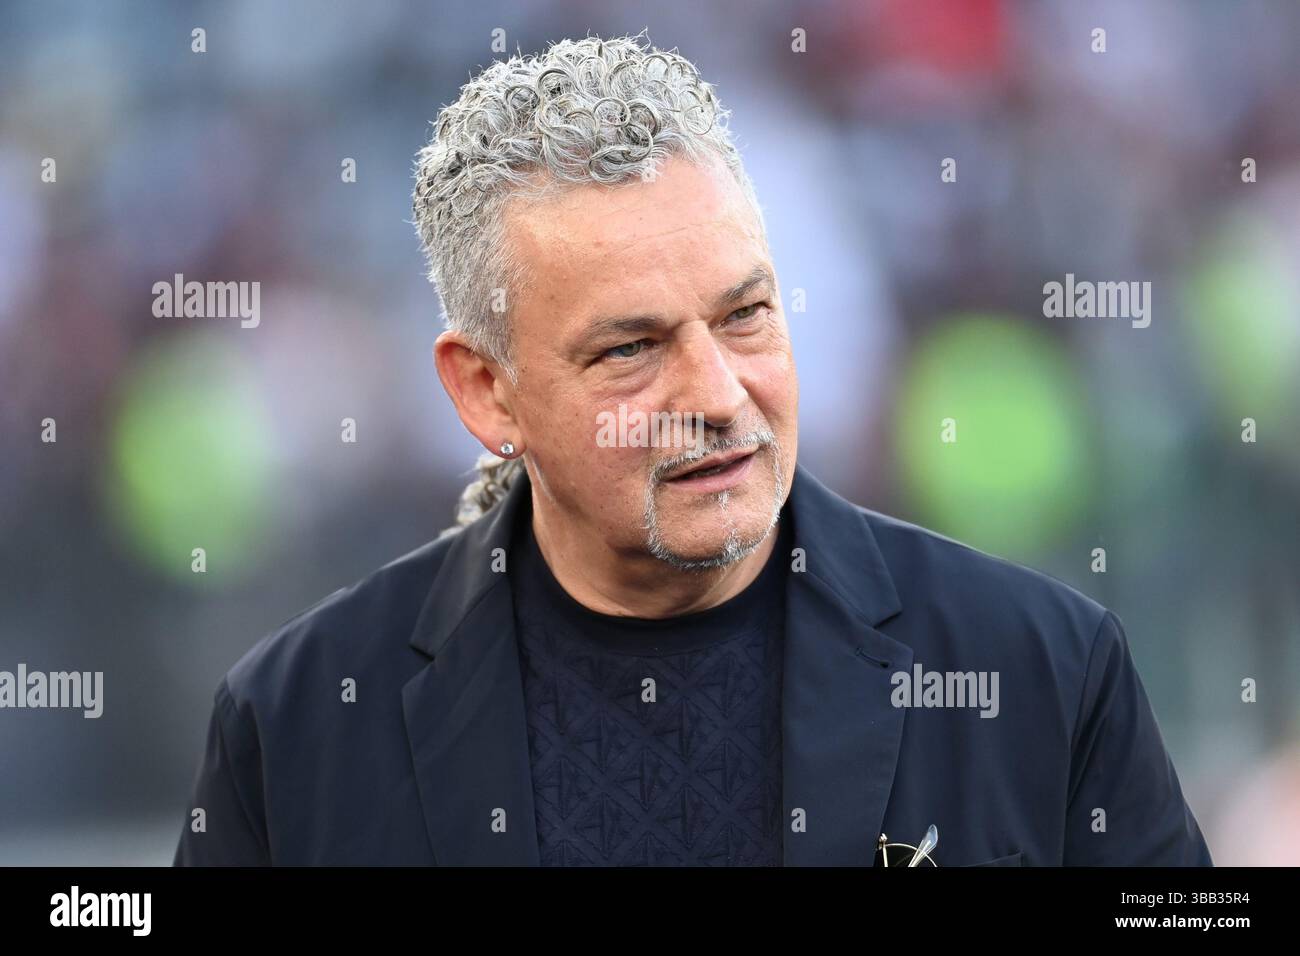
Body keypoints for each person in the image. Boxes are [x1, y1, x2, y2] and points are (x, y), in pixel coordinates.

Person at [174, 32, 1211, 866]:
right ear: (487, 391)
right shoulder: (297, 725)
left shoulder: (1040, 670)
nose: (717, 395)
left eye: (747, 315)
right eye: (631, 348)